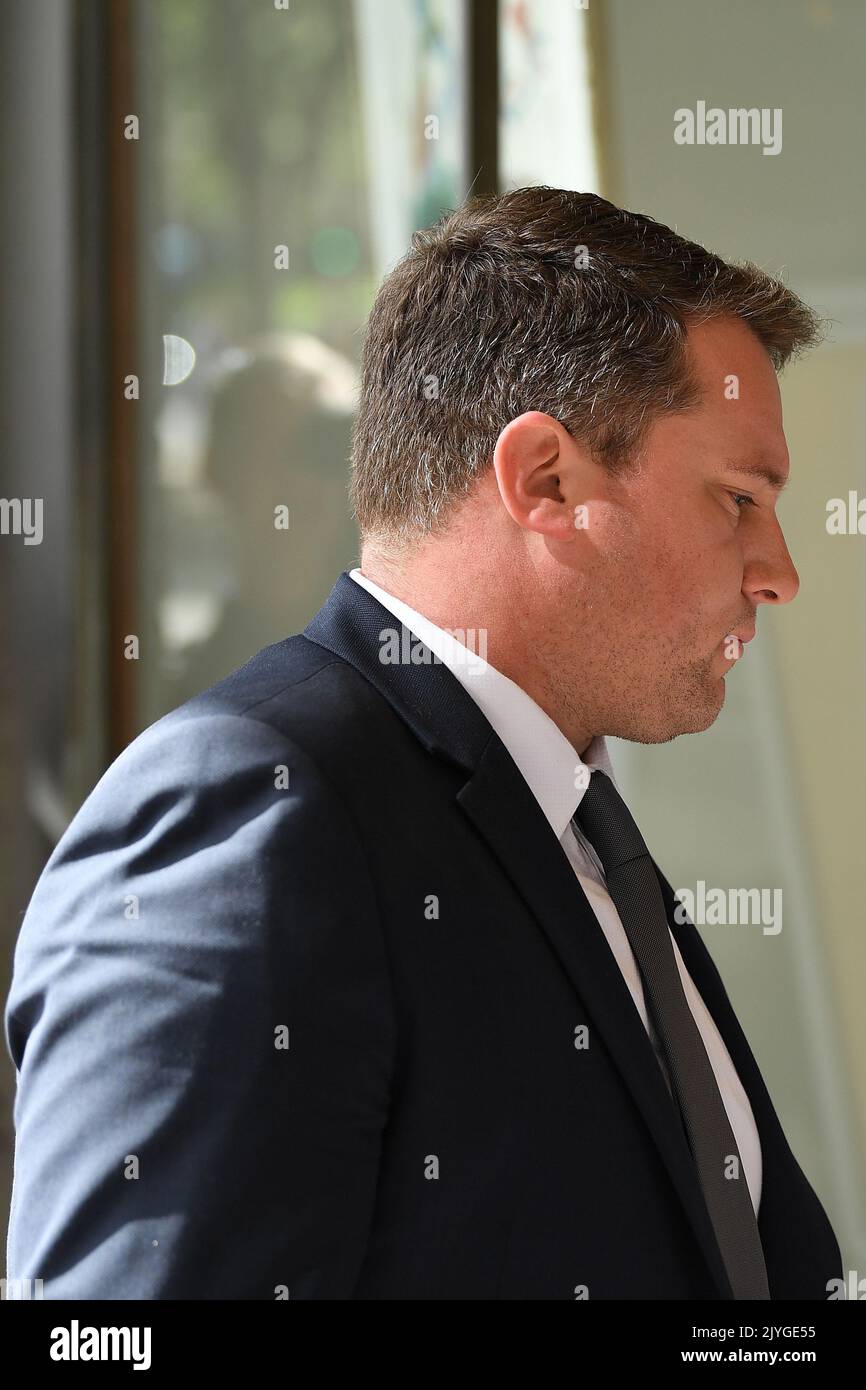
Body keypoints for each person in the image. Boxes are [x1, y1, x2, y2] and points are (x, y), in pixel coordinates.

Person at [4, 186, 843, 1299]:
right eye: (737, 498)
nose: (776, 572)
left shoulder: (568, 817)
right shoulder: (254, 813)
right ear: (544, 479)